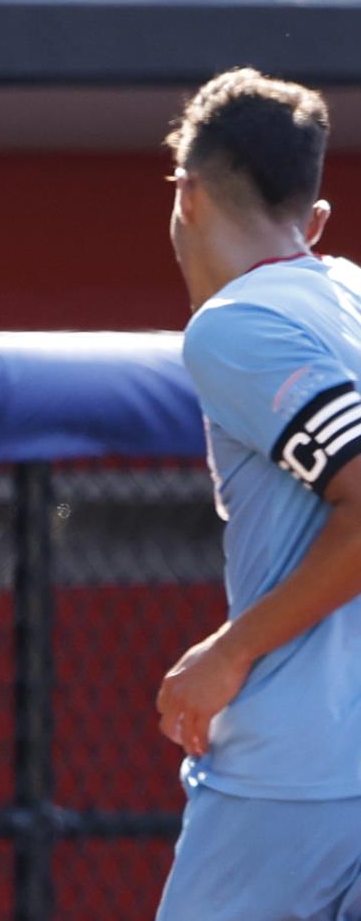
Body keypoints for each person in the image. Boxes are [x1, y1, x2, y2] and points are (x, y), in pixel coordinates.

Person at [152, 67, 361, 919]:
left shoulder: (236, 325)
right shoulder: (347, 289)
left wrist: (230, 652)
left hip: (297, 775)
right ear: (312, 221)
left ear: (187, 191)